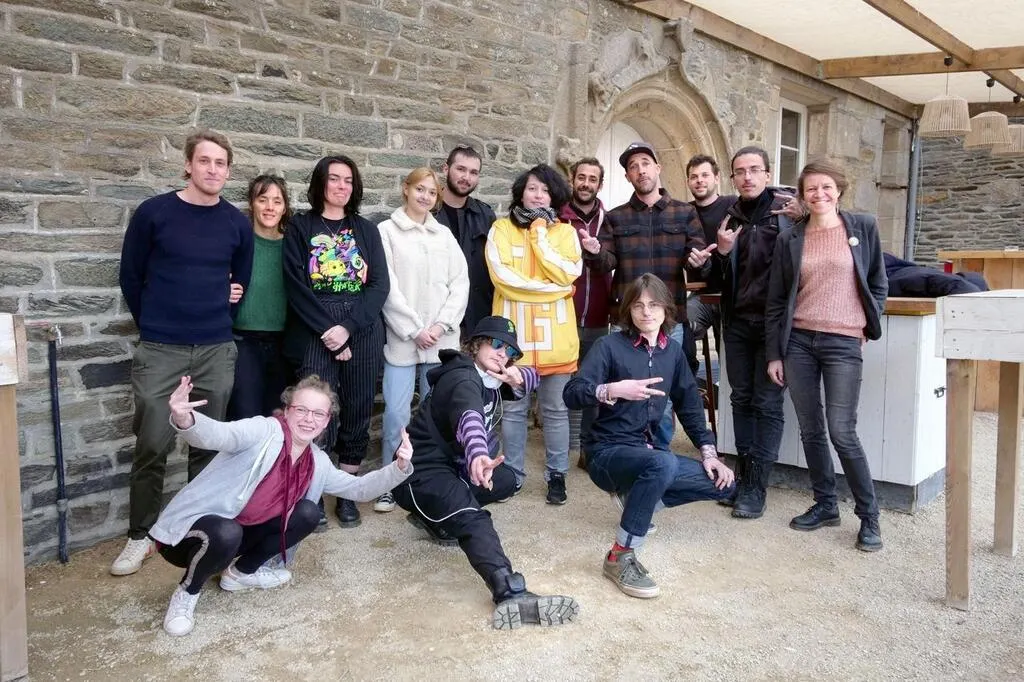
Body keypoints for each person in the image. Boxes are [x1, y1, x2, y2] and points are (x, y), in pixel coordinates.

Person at [150, 375, 413, 636]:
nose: (309, 419)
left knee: (308, 513)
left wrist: (398, 468)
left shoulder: (316, 461)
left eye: (318, 414)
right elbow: (219, 434)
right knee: (227, 531)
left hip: (240, 537)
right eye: (302, 410)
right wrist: (186, 419)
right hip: (190, 538)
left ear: (326, 421)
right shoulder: (262, 431)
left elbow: (359, 489)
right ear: (287, 410)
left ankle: (240, 573)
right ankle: (187, 592)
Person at [113, 128, 253, 577]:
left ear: (228, 171)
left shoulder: (235, 222)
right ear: (189, 165)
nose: (213, 170)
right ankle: (140, 537)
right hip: (161, 348)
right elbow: (131, 277)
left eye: (221, 163)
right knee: (152, 444)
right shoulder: (155, 213)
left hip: (215, 348)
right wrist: (154, 320)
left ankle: (198, 533)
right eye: (205, 161)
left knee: (207, 448)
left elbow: (241, 281)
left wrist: (225, 303)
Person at [392, 316, 578, 629]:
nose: (502, 353)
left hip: (451, 468)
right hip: (418, 473)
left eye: (509, 350)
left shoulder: (490, 378)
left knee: (505, 480)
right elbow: (469, 418)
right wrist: (478, 454)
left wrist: (518, 376)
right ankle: (509, 589)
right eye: (495, 344)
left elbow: (534, 377)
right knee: (472, 515)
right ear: (476, 344)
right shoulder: (463, 379)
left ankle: (435, 520)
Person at [564, 274, 735, 599]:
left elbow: (690, 407)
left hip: (652, 454)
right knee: (662, 464)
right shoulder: (608, 346)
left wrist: (710, 455)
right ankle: (620, 555)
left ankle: (637, 498)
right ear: (628, 310)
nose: (646, 312)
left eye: (654, 305)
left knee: (725, 483)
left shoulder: (673, 353)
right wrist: (610, 389)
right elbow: (572, 394)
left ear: (666, 309)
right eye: (639, 305)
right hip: (607, 454)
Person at [765, 159, 887, 552]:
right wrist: (775, 354)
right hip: (798, 341)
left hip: (842, 343)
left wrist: (867, 325)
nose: (819, 194)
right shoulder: (790, 238)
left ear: (839, 190)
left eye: (826, 187)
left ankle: (869, 518)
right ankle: (825, 504)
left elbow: (878, 282)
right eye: (811, 189)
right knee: (811, 428)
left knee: (842, 431)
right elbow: (777, 299)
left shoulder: (863, 227)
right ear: (802, 195)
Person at [580, 141, 709, 451]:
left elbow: (699, 259)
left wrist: (699, 262)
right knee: (626, 393)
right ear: (628, 176)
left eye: (645, 163)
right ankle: (631, 453)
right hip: (627, 322)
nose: (640, 170)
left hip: (669, 322)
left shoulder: (685, 212)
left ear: (657, 168)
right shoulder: (616, 217)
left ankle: (660, 455)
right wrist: (596, 253)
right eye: (633, 167)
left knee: (662, 397)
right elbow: (606, 264)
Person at [283, 155, 390, 530]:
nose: (341, 186)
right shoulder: (300, 227)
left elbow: (378, 286)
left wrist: (348, 328)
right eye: (334, 179)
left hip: (361, 327)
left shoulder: (366, 229)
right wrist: (330, 330)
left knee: (359, 407)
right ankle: (311, 495)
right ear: (320, 183)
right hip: (315, 328)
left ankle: (346, 493)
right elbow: (296, 286)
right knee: (313, 413)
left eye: (348, 180)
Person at [486, 163, 583, 504]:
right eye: (531, 188)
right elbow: (504, 280)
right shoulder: (500, 229)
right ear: (520, 192)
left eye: (544, 190)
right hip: (513, 345)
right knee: (513, 412)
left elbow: (568, 273)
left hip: (557, 343)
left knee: (556, 411)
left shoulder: (566, 233)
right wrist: (557, 291)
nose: (538, 194)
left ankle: (557, 475)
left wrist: (540, 234)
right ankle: (512, 474)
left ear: (554, 196)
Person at [376, 167, 469, 513]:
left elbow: (460, 285)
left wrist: (441, 325)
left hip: (441, 341)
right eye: (420, 189)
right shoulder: (386, 232)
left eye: (432, 192)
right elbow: (387, 287)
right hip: (404, 340)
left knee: (437, 414)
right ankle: (390, 482)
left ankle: (433, 478)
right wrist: (416, 329)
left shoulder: (444, 236)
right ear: (406, 189)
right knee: (397, 414)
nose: (425, 197)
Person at [712, 146, 796, 520]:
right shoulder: (730, 217)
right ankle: (744, 480)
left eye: (754, 170)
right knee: (741, 400)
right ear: (733, 178)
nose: (747, 177)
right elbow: (721, 279)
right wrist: (722, 253)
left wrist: (806, 212)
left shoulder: (789, 211)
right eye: (740, 171)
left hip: (775, 326)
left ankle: (756, 487)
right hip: (738, 323)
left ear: (767, 173)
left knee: (767, 404)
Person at [227, 175, 293, 421]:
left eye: (277, 201)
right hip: (243, 342)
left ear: (284, 207)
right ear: (252, 203)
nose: (269, 207)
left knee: (277, 419)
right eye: (262, 199)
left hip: (282, 346)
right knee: (245, 417)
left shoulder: (292, 248)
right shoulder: (238, 243)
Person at [561, 158, 613, 470]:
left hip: (597, 315)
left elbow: (610, 262)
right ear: (573, 180)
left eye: (592, 179)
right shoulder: (557, 217)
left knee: (592, 383)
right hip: (563, 315)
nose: (586, 184)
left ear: (599, 184)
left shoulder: (609, 221)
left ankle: (586, 447)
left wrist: (596, 252)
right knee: (564, 383)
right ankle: (563, 444)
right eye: (581, 177)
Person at [435, 145, 498, 339]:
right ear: (446, 169)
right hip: (435, 316)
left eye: (473, 172)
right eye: (460, 169)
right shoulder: (427, 213)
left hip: (475, 317)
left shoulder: (485, 215)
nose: (466, 177)